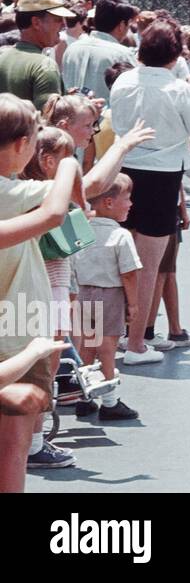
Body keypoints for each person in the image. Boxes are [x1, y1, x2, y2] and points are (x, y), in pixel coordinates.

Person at [110, 19, 190, 362]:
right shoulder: (179, 89)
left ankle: (115, 335)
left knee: (118, 257)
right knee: (148, 264)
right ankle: (136, 342)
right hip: (161, 179)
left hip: (123, 171)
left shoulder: (124, 81)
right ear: (175, 55)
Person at [0, 94, 83, 487]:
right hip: (18, 337)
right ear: (21, 145)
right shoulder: (15, 195)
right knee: (13, 450)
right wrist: (69, 161)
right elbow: (57, 209)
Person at [71, 174, 144, 421]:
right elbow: (129, 273)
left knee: (88, 347)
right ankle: (110, 401)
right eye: (127, 198)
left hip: (84, 294)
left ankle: (85, 397)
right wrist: (133, 304)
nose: (131, 203)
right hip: (110, 295)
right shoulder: (121, 236)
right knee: (108, 348)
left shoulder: (83, 230)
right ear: (109, 203)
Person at [0, 0, 73, 111]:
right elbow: (49, 123)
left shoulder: (3, 57)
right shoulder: (44, 65)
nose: (64, 25)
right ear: (36, 23)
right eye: (58, 19)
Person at [61, 0, 138, 100]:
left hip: (70, 113)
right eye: (128, 25)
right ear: (121, 25)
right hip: (105, 115)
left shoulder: (72, 49)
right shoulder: (122, 55)